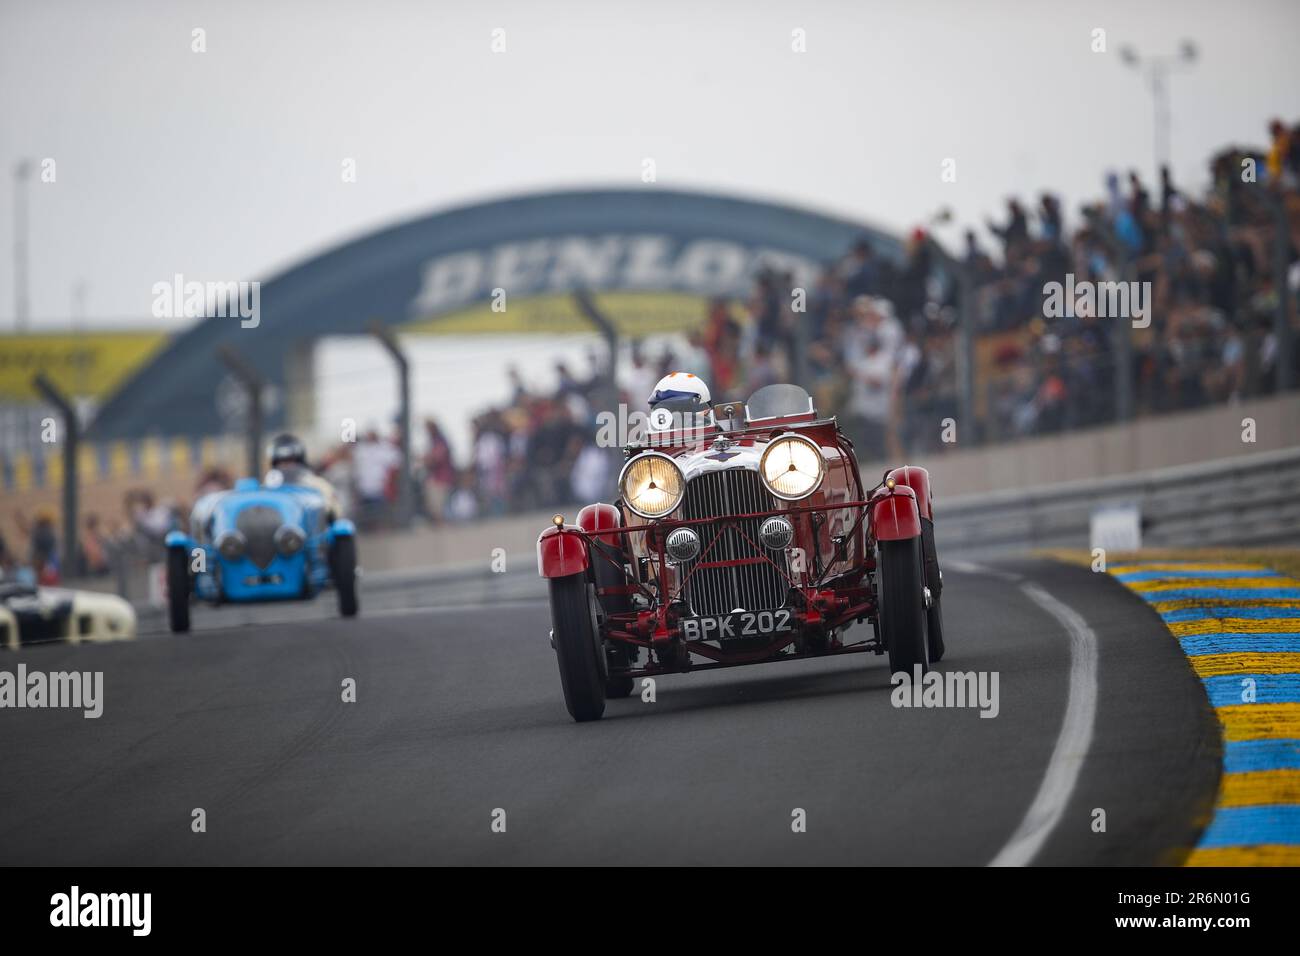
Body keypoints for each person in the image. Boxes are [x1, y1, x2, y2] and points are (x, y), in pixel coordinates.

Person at [267, 433, 344, 520]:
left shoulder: (318, 485)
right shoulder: (269, 488)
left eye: (290, 461)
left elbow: (334, 510)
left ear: (300, 461)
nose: (286, 466)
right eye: (282, 462)